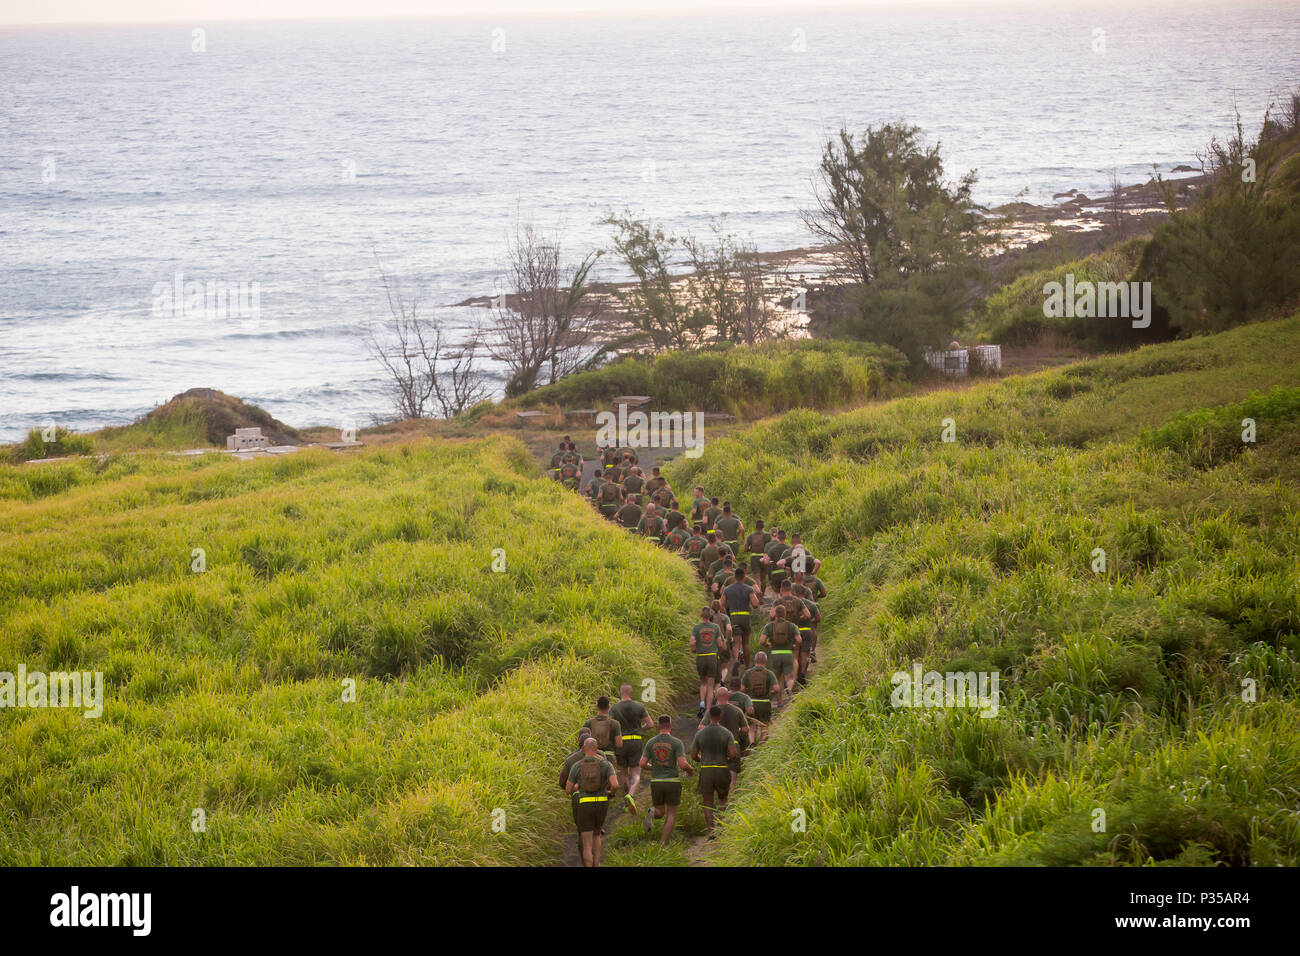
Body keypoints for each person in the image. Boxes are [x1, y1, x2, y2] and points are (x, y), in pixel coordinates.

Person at [640, 715, 694, 844]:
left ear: (659, 726)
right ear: (670, 725)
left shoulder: (651, 742)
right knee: (671, 814)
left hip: (656, 782)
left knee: (660, 811)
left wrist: (652, 767)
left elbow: (642, 764)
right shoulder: (676, 742)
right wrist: (690, 770)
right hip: (672, 782)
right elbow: (682, 764)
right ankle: (662, 844)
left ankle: (652, 812)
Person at [566, 736, 619, 866]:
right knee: (597, 835)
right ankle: (596, 863)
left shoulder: (577, 766)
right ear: (597, 748)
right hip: (602, 802)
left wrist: (576, 787)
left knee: (587, 843)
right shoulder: (606, 764)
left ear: (584, 748)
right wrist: (610, 793)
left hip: (584, 804)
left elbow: (568, 790)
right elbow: (615, 784)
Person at [691, 706, 739, 835]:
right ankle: (721, 827)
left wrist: (702, 759)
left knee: (707, 802)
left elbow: (693, 755)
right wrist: (725, 758)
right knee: (723, 799)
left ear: (709, 716)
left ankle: (711, 830)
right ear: (720, 716)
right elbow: (733, 753)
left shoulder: (700, 733)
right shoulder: (727, 733)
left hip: (706, 770)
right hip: (722, 769)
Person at [610, 683, 653, 811]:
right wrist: (640, 729)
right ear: (631, 693)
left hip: (621, 742)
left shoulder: (614, 708)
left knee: (623, 773)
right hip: (636, 741)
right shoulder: (639, 706)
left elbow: (610, 726)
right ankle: (631, 794)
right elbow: (650, 724)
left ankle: (626, 803)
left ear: (620, 693)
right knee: (636, 772)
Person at [706, 686, 749, 793]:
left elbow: (701, 727)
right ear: (728, 696)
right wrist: (738, 734)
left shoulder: (712, 711)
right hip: (733, 745)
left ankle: (720, 799)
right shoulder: (737, 710)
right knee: (732, 773)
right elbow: (745, 729)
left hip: (716, 747)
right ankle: (730, 799)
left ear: (716, 697)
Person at [690, 606, 725, 718]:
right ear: (710, 616)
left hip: (700, 657)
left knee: (703, 683)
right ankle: (708, 711)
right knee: (710, 686)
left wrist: (694, 649)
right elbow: (720, 644)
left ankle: (701, 704)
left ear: (701, 615)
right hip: (712, 657)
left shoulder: (696, 628)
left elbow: (692, 643)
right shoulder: (715, 627)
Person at [722, 567, 760, 670]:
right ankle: (747, 667)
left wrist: (726, 613)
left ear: (734, 577)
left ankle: (735, 664)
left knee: (736, 643)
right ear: (744, 577)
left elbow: (721, 604)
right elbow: (755, 604)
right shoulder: (749, 589)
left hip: (733, 617)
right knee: (746, 643)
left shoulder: (727, 589)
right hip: (745, 617)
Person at [759, 604, 800, 698]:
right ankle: (789, 689)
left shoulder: (769, 626)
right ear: (785, 614)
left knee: (777, 680)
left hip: (775, 654)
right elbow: (799, 640)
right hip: (788, 653)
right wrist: (795, 646)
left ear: (775, 614)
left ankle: (779, 703)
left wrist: (767, 645)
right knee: (789, 677)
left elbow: (762, 641)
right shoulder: (791, 625)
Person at [793, 582, 821, 686]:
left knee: (796, 655)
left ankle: (795, 676)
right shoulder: (812, 605)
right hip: (806, 630)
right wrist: (810, 620)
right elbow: (818, 618)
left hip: (795, 631)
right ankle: (803, 673)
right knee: (805, 654)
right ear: (805, 593)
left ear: (795, 593)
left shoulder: (793, 603)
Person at [740, 652, 779, 727]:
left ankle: (752, 739)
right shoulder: (769, 673)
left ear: (754, 660)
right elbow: (776, 689)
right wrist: (771, 694)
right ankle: (763, 739)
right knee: (764, 726)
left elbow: (742, 689)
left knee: (751, 727)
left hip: (751, 703)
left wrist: (747, 695)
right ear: (766, 661)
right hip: (765, 703)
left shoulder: (748, 673)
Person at [582, 696, 624, 764]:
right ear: (609, 707)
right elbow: (619, 744)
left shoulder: (588, 723)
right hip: (608, 758)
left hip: (592, 756)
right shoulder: (615, 724)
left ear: (597, 706)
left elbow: (583, 742)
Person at [745, 520, 771, 594]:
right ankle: (762, 594)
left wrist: (751, 549)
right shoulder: (767, 536)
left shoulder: (750, 536)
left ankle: (758, 594)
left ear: (755, 526)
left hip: (754, 558)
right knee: (763, 578)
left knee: (757, 579)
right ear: (763, 526)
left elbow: (745, 549)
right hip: (764, 558)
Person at [762, 529, 791, 593]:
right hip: (786, 574)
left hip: (775, 574)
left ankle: (778, 601)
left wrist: (770, 563)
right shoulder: (789, 549)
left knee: (776, 593)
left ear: (778, 537)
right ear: (785, 537)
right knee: (786, 592)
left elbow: (766, 561)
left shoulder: (772, 549)